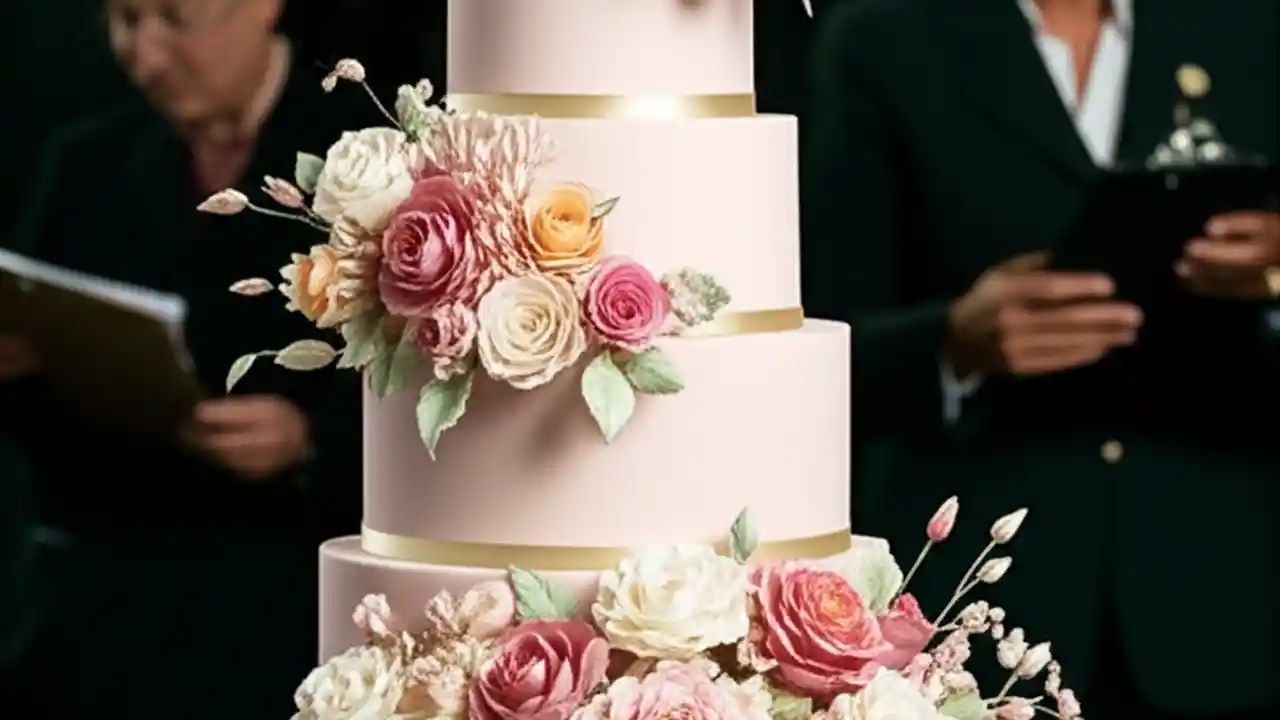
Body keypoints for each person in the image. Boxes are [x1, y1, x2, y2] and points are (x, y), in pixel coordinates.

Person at [804, 0, 1277, 718]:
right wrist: (955, 343)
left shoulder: (1249, 26)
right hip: (976, 607)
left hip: (1223, 592)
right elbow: (817, 348)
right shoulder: (883, 36)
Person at [0, 0, 374, 715]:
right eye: (123, 20)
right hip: (115, 584)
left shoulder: (371, 155)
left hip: (298, 596)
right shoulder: (85, 162)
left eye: (174, 19)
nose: (144, 55)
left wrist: (312, 442)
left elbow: (453, 389)